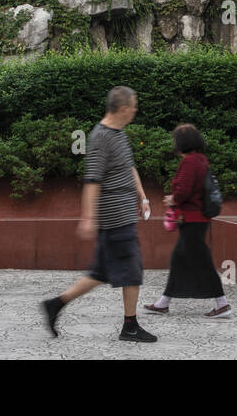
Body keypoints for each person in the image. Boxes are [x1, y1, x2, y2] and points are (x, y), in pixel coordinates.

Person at [41, 85, 157, 342]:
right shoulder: (100, 137)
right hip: (116, 219)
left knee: (101, 273)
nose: (136, 110)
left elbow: (129, 166)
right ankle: (130, 327)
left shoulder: (119, 133)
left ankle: (56, 304)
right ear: (124, 108)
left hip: (123, 215)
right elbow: (92, 180)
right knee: (133, 270)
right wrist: (88, 218)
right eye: (134, 106)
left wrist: (142, 196)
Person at [145, 123, 231, 319]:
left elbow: (184, 191)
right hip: (198, 219)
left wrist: (172, 199)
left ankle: (222, 303)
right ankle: (164, 302)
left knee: (201, 261)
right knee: (180, 259)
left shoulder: (190, 162)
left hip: (192, 219)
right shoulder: (201, 160)